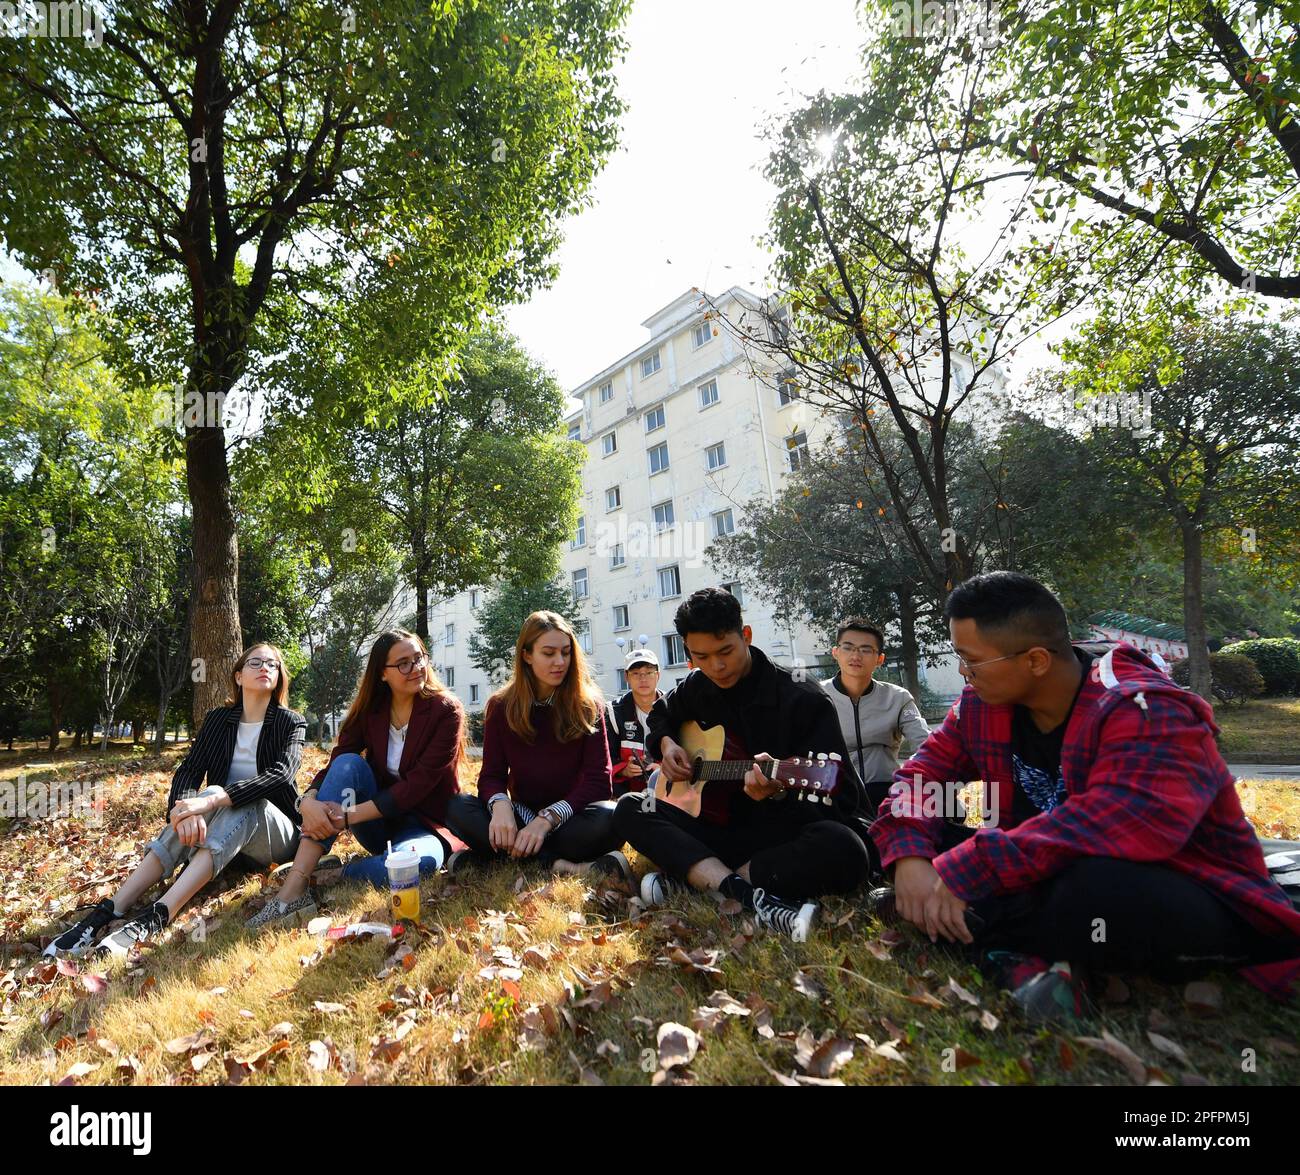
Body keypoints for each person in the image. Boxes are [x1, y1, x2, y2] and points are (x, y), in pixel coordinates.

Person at [868, 572, 1300, 1018]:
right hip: (1039, 871)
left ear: (1035, 660)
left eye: (971, 660)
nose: (963, 673)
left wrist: (970, 869)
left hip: (1174, 881)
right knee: (923, 847)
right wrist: (912, 861)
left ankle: (987, 934)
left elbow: (1117, 821)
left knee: (1092, 890)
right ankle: (1014, 940)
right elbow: (919, 779)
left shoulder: (1144, 707)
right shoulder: (980, 707)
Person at [613, 588, 871, 941]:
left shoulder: (802, 699)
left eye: (726, 652)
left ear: (746, 636)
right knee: (630, 808)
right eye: (701, 656)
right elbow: (661, 714)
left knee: (846, 847)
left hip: (777, 838)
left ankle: (704, 880)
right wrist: (666, 742)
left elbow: (841, 799)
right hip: (715, 828)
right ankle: (744, 893)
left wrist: (779, 794)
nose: (716, 667)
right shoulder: (696, 686)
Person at [45, 643, 306, 957]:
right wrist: (184, 811)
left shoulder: (291, 722)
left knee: (227, 797)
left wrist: (211, 802)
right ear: (238, 676)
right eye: (255, 662)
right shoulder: (218, 721)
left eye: (272, 664)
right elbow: (189, 770)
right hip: (227, 838)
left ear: (278, 678)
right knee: (195, 802)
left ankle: (159, 915)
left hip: (277, 835)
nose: (265, 667)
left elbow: (280, 774)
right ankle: (110, 909)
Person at [247, 629, 466, 928]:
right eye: (403, 663)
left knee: (418, 866)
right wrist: (308, 799)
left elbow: (418, 786)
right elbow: (340, 761)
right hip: (377, 825)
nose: (416, 668)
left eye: (419, 658)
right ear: (382, 674)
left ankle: (334, 873)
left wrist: (346, 818)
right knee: (350, 764)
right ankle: (294, 890)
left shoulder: (446, 711)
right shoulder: (371, 711)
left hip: (425, 826)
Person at [444, 611, 626, 880]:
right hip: (519, 818)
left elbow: (600, 782)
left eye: (565, 652)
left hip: (570, 818)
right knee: (456, 807)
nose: (560, 662)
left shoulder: (588, 705)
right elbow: (492, 776)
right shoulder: (501, 706)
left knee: (614, 816)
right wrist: (500, 806)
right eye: (549, 653)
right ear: (527, 655)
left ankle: (497, 859)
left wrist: (547, 819)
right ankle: (562, 865)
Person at [821, 617, 930, 814]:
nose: (856, 655)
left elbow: (925, 744)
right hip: (835, 791)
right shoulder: (817, 696)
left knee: (948, 808)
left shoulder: (898, 698)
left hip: (886, 790)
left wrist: (910, 779)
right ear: (835, 652)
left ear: (880, 659)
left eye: (865, 649)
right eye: (848, 647)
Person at [605, 645, 668, 797]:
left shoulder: (673, 707)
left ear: (658, 675)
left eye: (649, 672)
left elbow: (687, 750)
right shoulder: (612, 711)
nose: (643, 679)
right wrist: (624, 769)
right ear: (626, 677)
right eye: (636, 673)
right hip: (627, 793)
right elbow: (604, 758)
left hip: (668, 790)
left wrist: (662, 768)